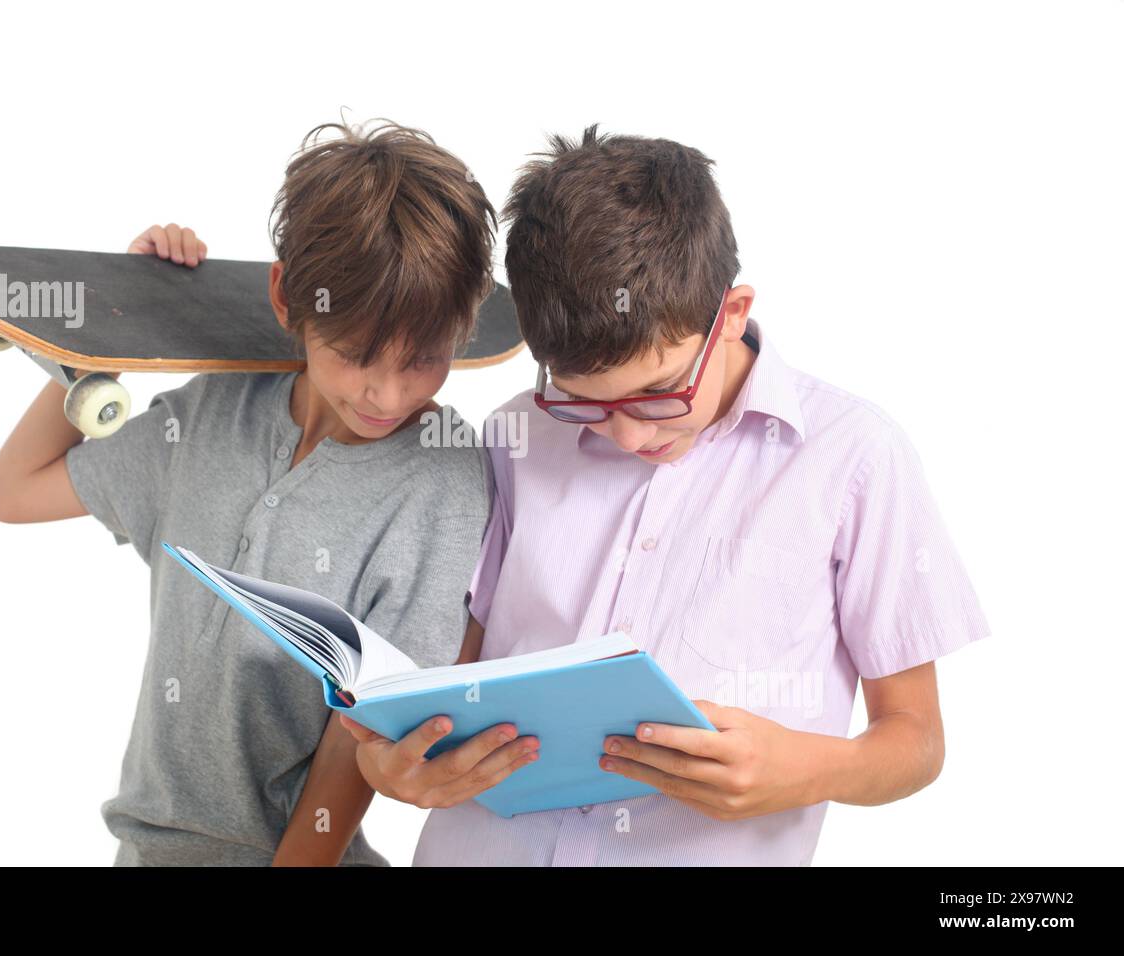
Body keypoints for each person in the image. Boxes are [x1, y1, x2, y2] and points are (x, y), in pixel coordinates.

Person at [344, 125, 990, 865]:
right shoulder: (516, 437)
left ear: (734, 313)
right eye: (584, 400)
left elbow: (916, 741)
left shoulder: (854, 457)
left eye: (656, 393)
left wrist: (803, 769)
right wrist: (395, 765)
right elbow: (452, 677)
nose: (623, 435)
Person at [0, 120, 497, 865]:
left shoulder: (442, 483)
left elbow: (359, 742)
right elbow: (10, 491)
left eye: (425, 359)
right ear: (288, 299)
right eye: (355, 356)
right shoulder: (212, 415)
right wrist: (104, 329)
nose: (388, 392)